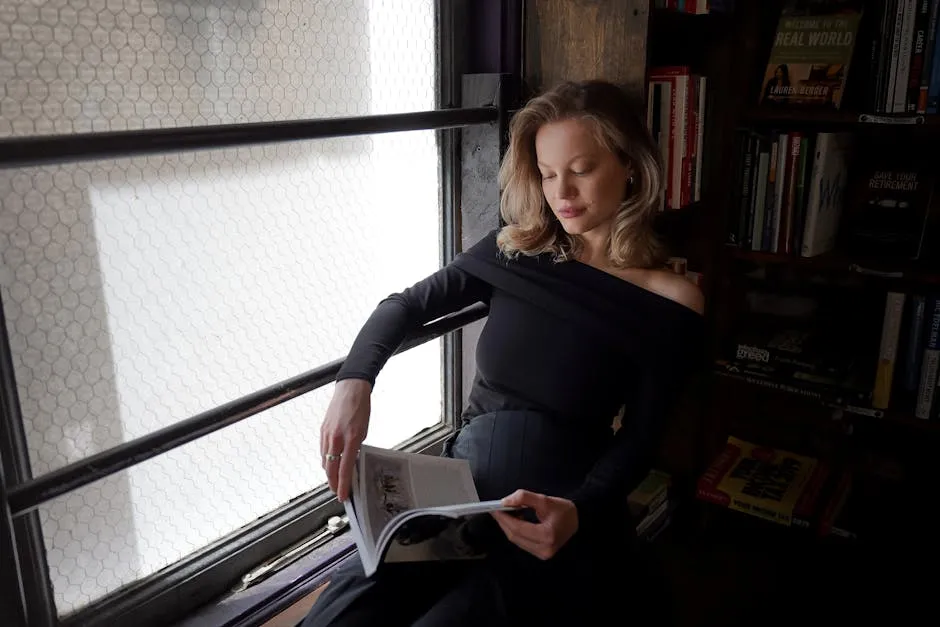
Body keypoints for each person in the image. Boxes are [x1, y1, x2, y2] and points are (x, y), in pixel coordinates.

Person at [301, 79, 706, 627]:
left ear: (630, 164)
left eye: (581, 170)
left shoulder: (670, 299)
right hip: (458, 495)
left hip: (552, 514)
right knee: (346, 609)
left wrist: (579, 511)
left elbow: (641, 438)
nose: (561, 192)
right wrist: (354, 383)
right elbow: (405, 306)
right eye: (546, 173)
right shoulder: (516, 250)